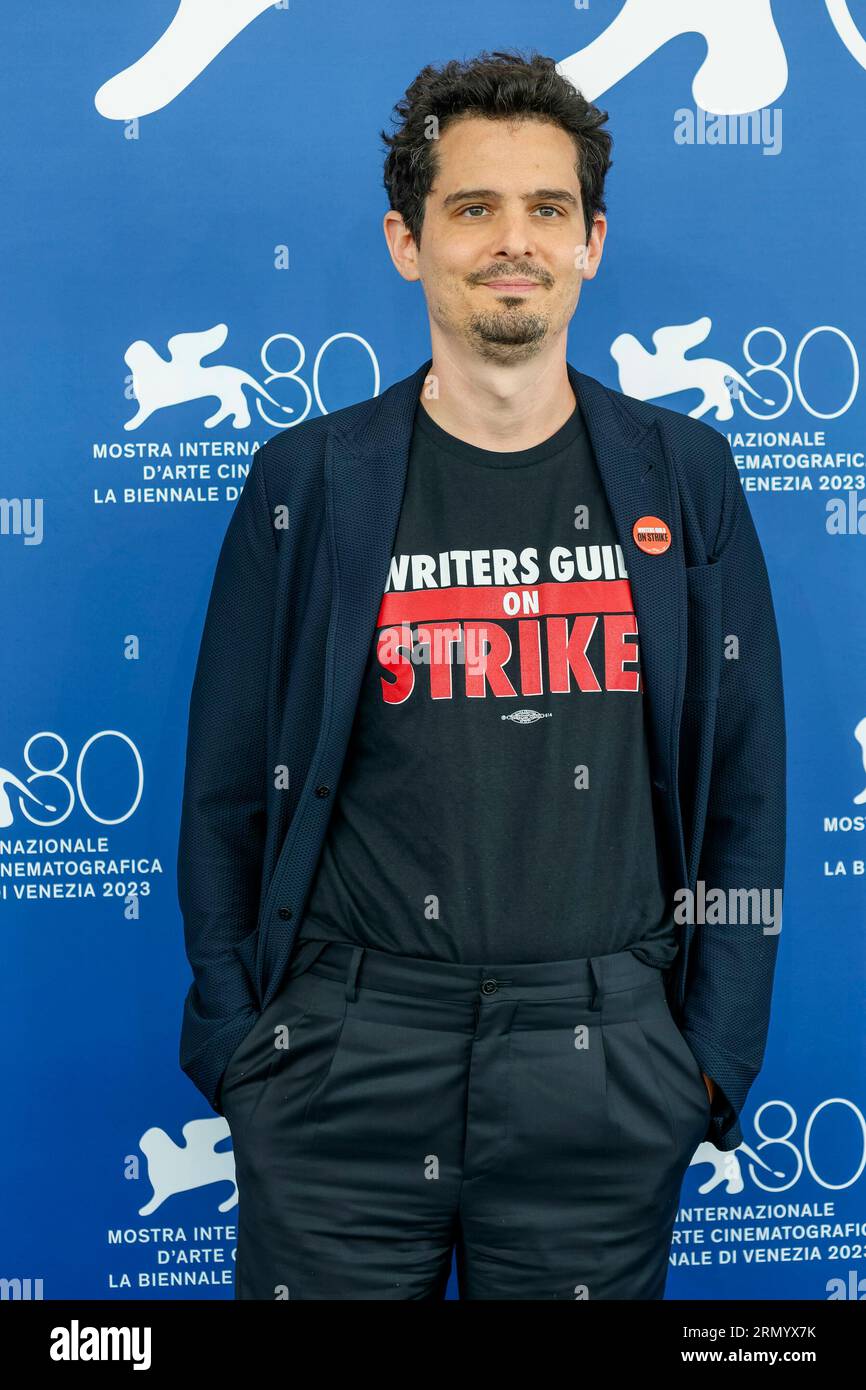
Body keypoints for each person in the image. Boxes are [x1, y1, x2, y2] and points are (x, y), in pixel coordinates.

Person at [177, 48, 786, 1300]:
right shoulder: (308, 481)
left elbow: (746, 795)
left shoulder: (685, 476)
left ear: (591, 242)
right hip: (343, 1057)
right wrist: (246, 1044)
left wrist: (710, 1054)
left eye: (545, 210)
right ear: (407, 241)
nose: (513, 241)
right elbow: (224, 789)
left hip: (606, 1058)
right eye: (472, 208)